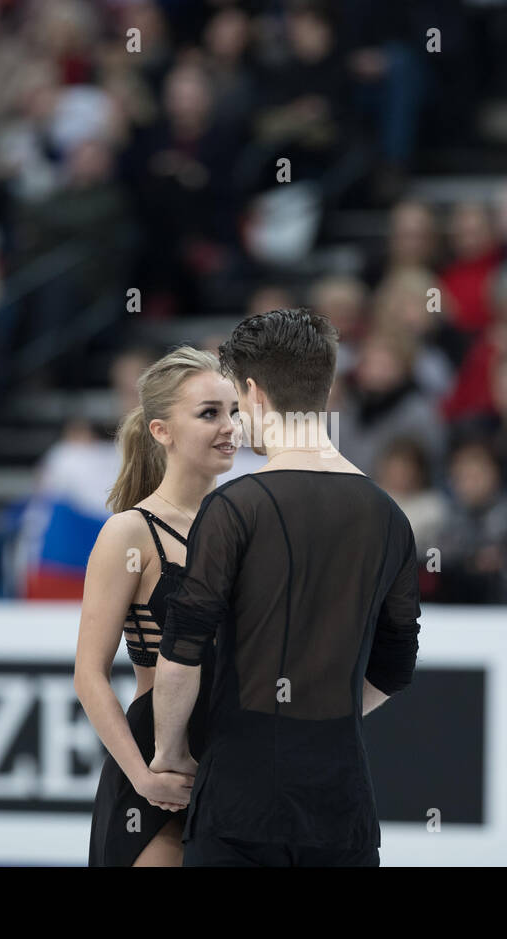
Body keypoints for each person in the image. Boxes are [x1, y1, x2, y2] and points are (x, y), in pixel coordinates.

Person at [151, 307, 422, 867]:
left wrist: (170, 752)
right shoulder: (389, 515)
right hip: (340, 809)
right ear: (325, 389)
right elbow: (395, 668)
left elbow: (182, 651)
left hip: (239, 802)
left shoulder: (234, 508)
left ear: (253, 392)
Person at [76, 345, 239, 866]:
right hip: (155, 761)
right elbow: (89, 674)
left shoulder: (246, 525)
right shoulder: (130, 532)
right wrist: (141, 775)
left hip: (237, 760)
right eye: (209, 413)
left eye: (234, 411)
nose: (229, 427)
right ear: (161, 430)